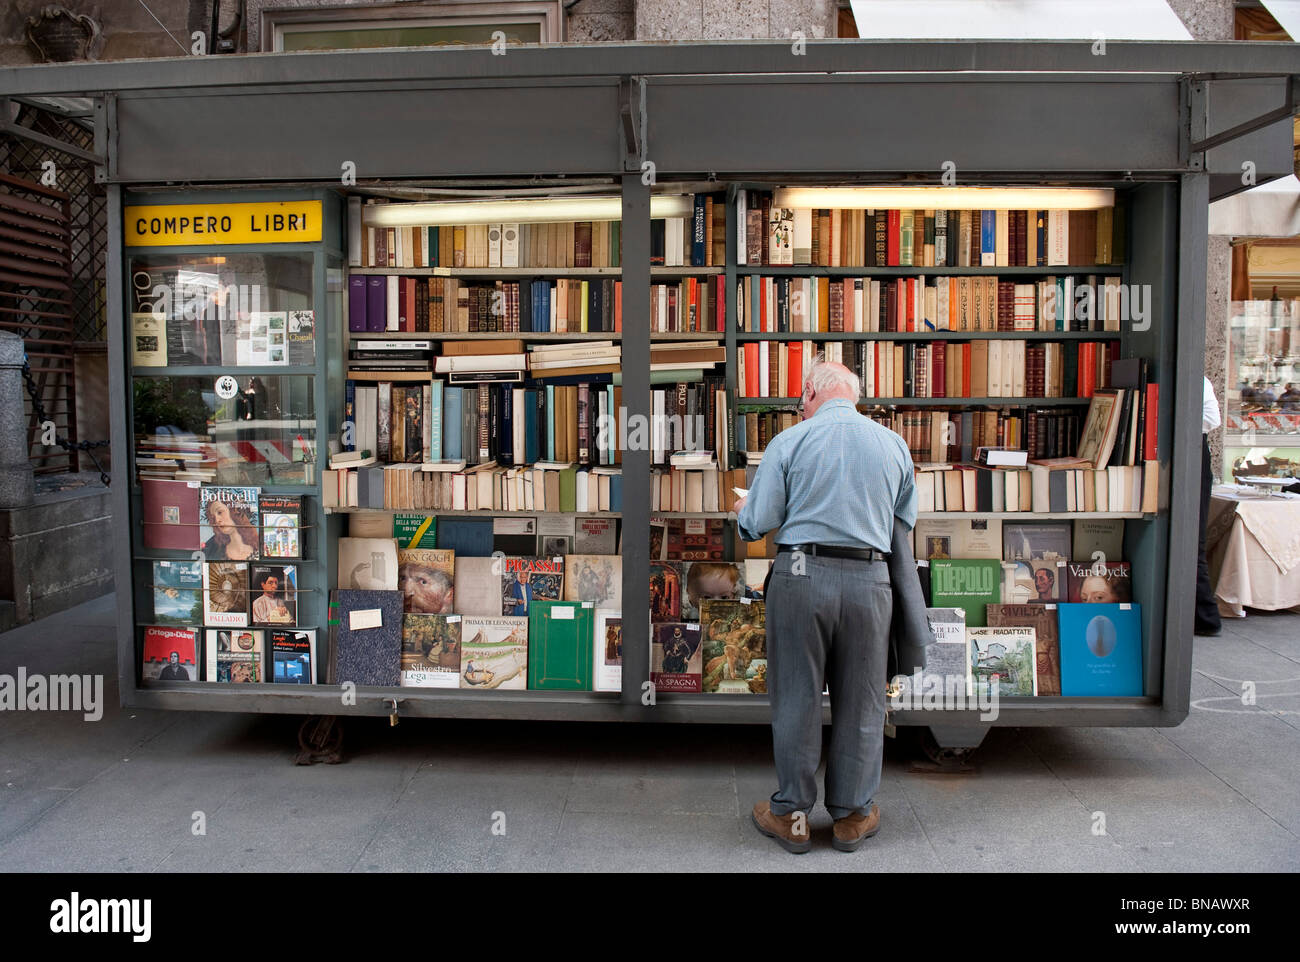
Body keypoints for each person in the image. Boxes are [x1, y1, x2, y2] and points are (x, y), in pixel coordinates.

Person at [736, 357, 917, 854]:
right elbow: (902, 523)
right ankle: (853, 817)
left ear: (809, 394)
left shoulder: (790, 442)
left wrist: (743, 510)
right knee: (863, 700)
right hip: (870, 581)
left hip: (801, 577)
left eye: (801, 402)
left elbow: (760, 520)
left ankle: (792, 814)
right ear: (852, 396)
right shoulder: (894, 445)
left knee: (796, 697)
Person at [1196, 376, 1223, 636]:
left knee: (1195, 540)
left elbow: (1212, 421)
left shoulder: (1199, 380)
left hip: (1193, 452)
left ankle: (1206, 617)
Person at [202, 496, 257, 561]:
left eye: (220, 512)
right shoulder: (210, 548)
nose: (217, 520)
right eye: (213, 517)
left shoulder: (258, 543)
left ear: (233, 511)